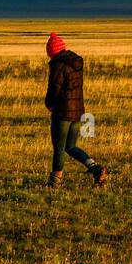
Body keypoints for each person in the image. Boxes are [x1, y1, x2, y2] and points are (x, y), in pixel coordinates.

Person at [44, 32, 108, 188]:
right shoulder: (75, 64)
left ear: (51, 51)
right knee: (70, 146)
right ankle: (95, 168)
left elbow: (54, 89)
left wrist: (49, 103)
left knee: (59, 148)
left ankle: (55, 181)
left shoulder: (58, 65)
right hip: (77, 112)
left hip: (62, 113)